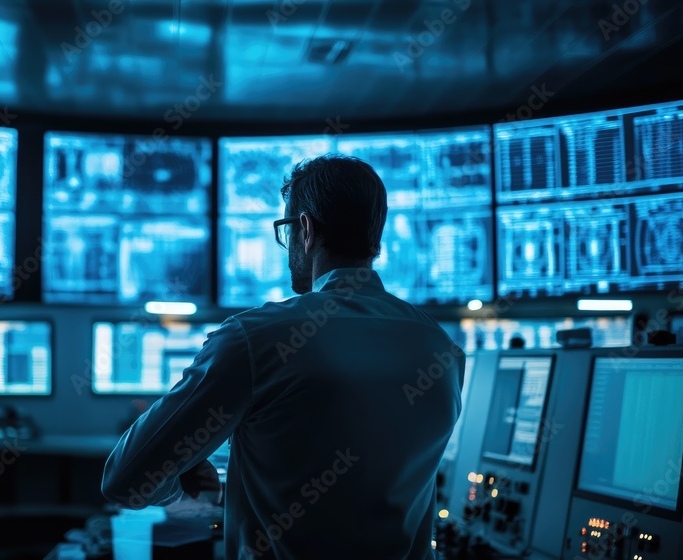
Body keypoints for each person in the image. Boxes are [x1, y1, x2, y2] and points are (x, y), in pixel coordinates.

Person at [102, 154, 465, 559]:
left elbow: (126, 479)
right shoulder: (442, 350)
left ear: (305, 230)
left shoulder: (255, 338)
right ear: (375, 239)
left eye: (286, 230)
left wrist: (181, 486)